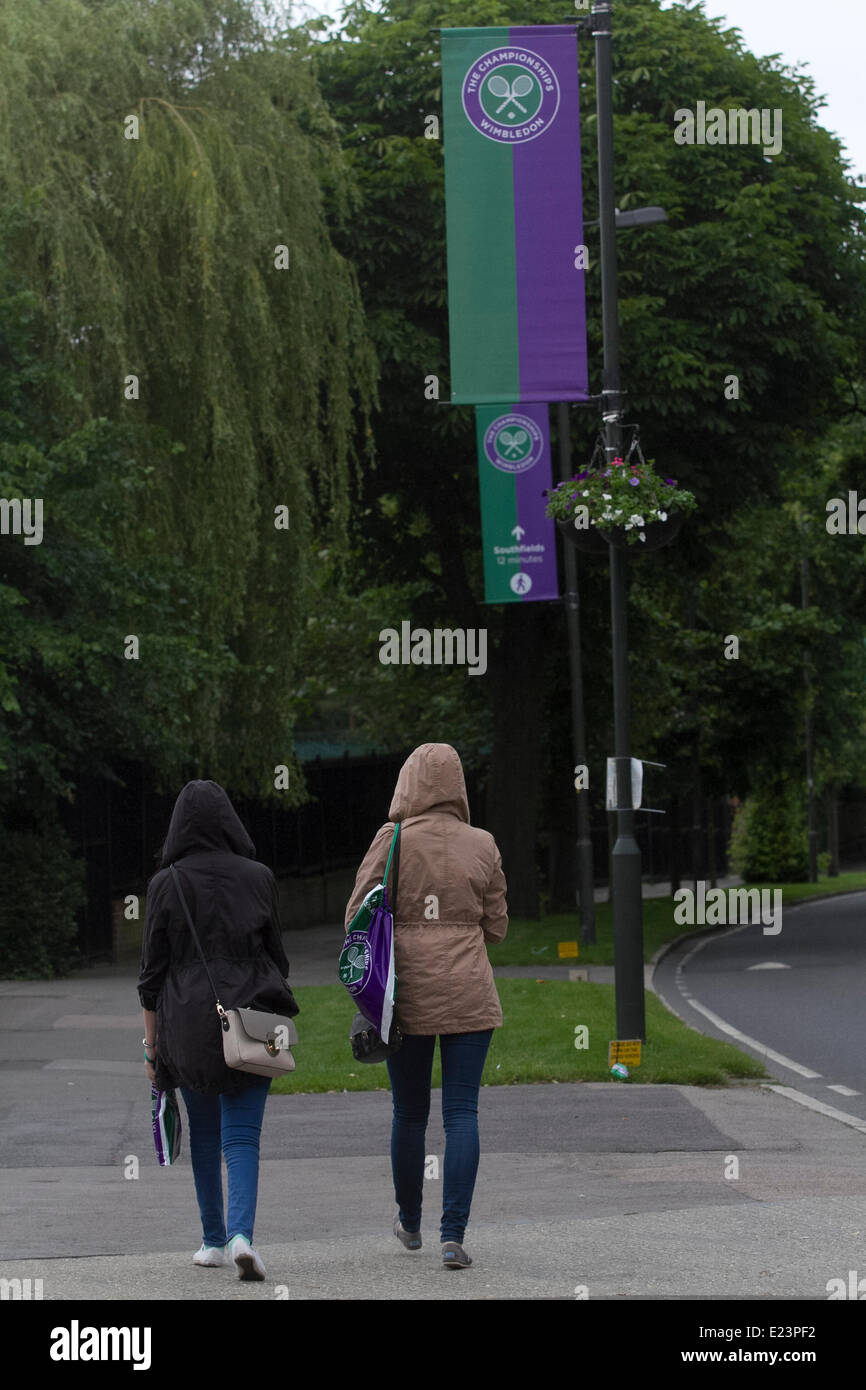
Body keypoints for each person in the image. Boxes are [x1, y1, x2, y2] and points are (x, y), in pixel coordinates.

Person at [345, 742, 508, 1269]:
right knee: (463, 1113)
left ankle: (410, 1222)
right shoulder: (483, 843)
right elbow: (498, 927)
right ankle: (453, 1235)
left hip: (405, 992)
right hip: (469, 991)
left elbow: (357, 914)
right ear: (458, 786)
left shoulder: (392, 841)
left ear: (408, 783)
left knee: (408, 1112)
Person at [138, 779, 298, 1281]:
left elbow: (150, 979)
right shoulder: (259, 877)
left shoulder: (167, 883)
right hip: (255, 1018)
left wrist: (151, 1048)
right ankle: (241, 1236)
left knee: (204, 1134)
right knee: (243, 1137)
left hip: (187, 1024)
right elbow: (279, 958)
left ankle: (210, 1241)